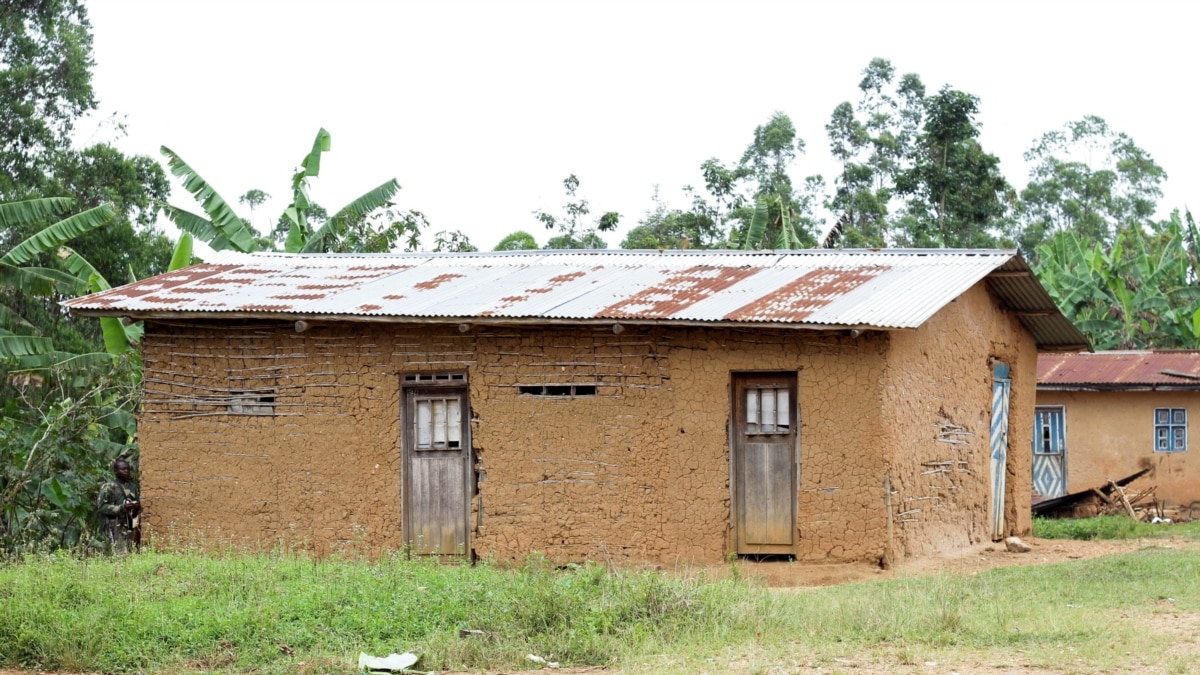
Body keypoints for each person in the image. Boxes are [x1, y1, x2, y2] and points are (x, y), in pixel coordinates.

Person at [97, 458, 141, 552]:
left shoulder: (132, 487)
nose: (126, 471)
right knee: (120, 555)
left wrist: (136, 507)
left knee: (131, 553)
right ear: (116, 471)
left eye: (128, 469)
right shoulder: (109, 487)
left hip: (130, 526)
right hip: (115, 527)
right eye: (123, 469)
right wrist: (122, 508)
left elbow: (137, 504)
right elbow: (101, 507)